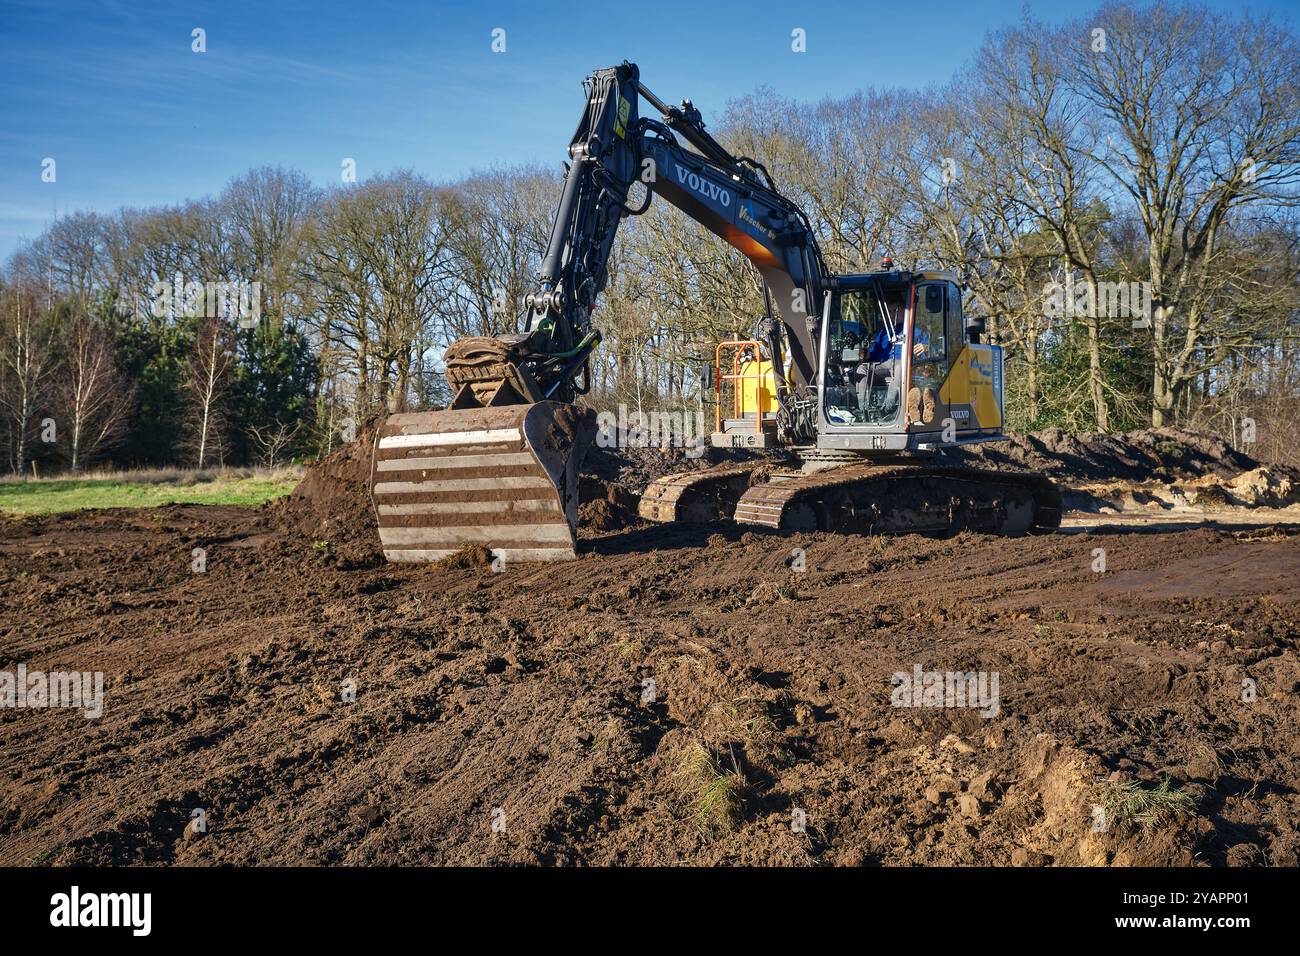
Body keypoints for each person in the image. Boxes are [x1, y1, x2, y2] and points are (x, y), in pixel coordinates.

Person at [855, 322, 930, 416]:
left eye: (895, 310)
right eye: (890, 311)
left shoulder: (917, 330)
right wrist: (866, 353)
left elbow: (932, 349)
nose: (893, 314)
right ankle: (864, 409)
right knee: (861, 368)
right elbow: (873, 353)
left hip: (904, 363)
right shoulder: (884, 331)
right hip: (884, 364)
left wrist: (926, 347)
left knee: (901, 366)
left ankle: (886, 409)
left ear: (903, 310)